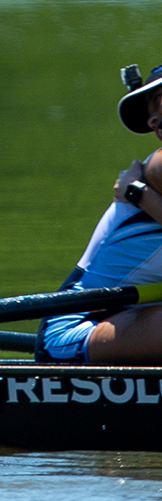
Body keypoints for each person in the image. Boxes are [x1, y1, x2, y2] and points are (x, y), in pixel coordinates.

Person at [36, 63, 162, 364]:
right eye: (152, 106)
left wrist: (137, 192)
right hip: (76, 330)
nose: (153, 117)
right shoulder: (158, 168)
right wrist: (139, 193)